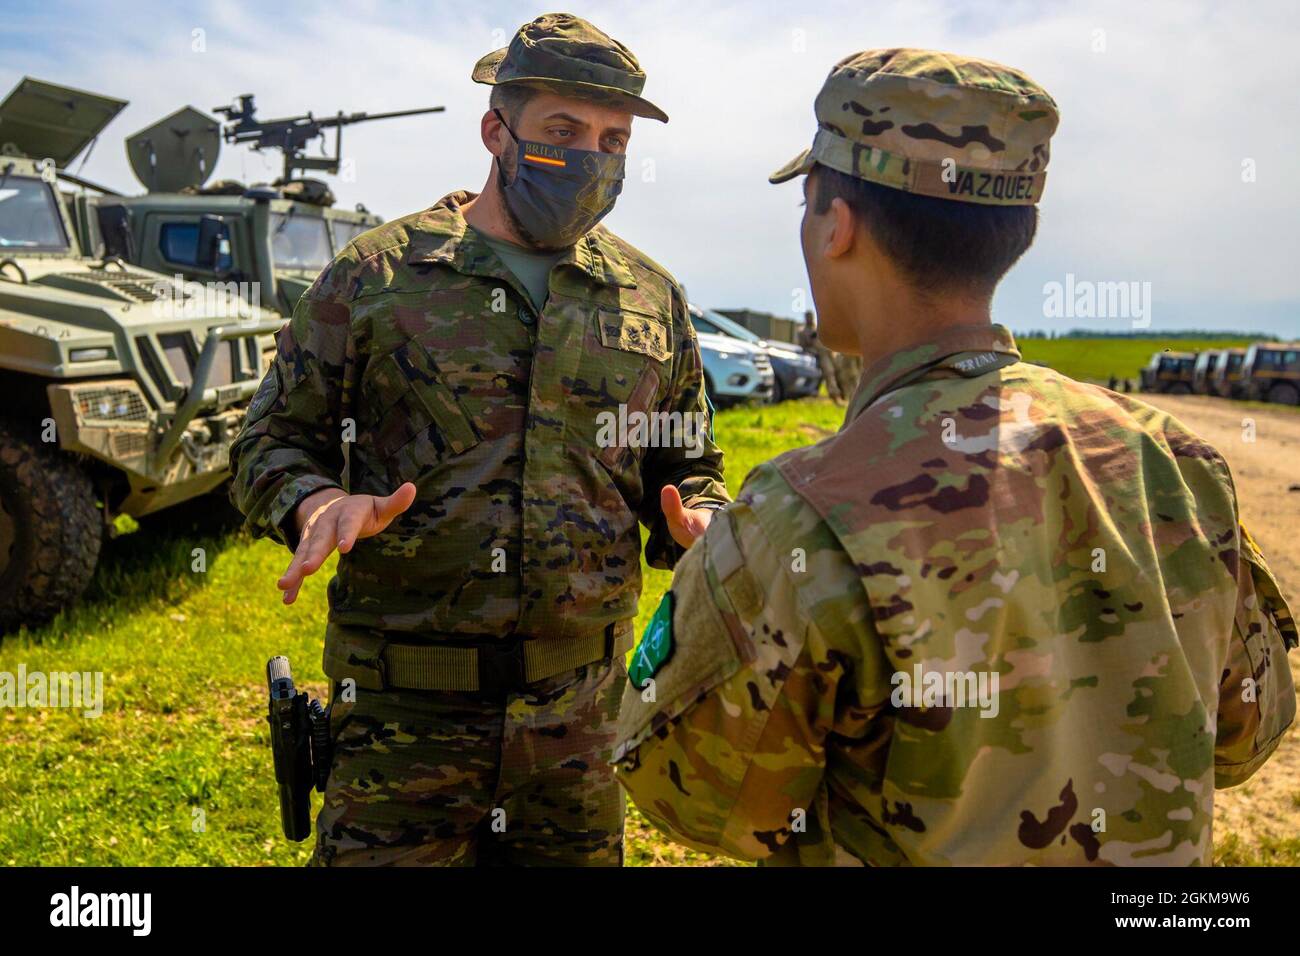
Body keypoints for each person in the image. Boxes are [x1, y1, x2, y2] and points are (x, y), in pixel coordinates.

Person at [612, 48, 1296, 866]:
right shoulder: (1174, 462)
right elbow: (1249, 734)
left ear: (836, 226)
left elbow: (684, 790)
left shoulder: (807, 513)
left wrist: (722, 577)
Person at [230, 13, 730, 866]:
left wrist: (705, 519)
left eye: (612, 138)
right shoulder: (377, 277)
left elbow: (689, 463)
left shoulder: (653, 299)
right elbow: (269, 439)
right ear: (496, 130)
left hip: (578, 724)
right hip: (402, 723)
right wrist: (315, 497)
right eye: (562, 132)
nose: (591, 157)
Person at [798, 309, 842, 401]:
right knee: (829, 372)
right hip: (819, 355)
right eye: (808, 317)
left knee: (840, 371)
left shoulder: (818, 329)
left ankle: (844, 392)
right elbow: (803, 346)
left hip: (830, 352)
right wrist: (811, 341)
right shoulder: (803, 331)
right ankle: (834, 393)